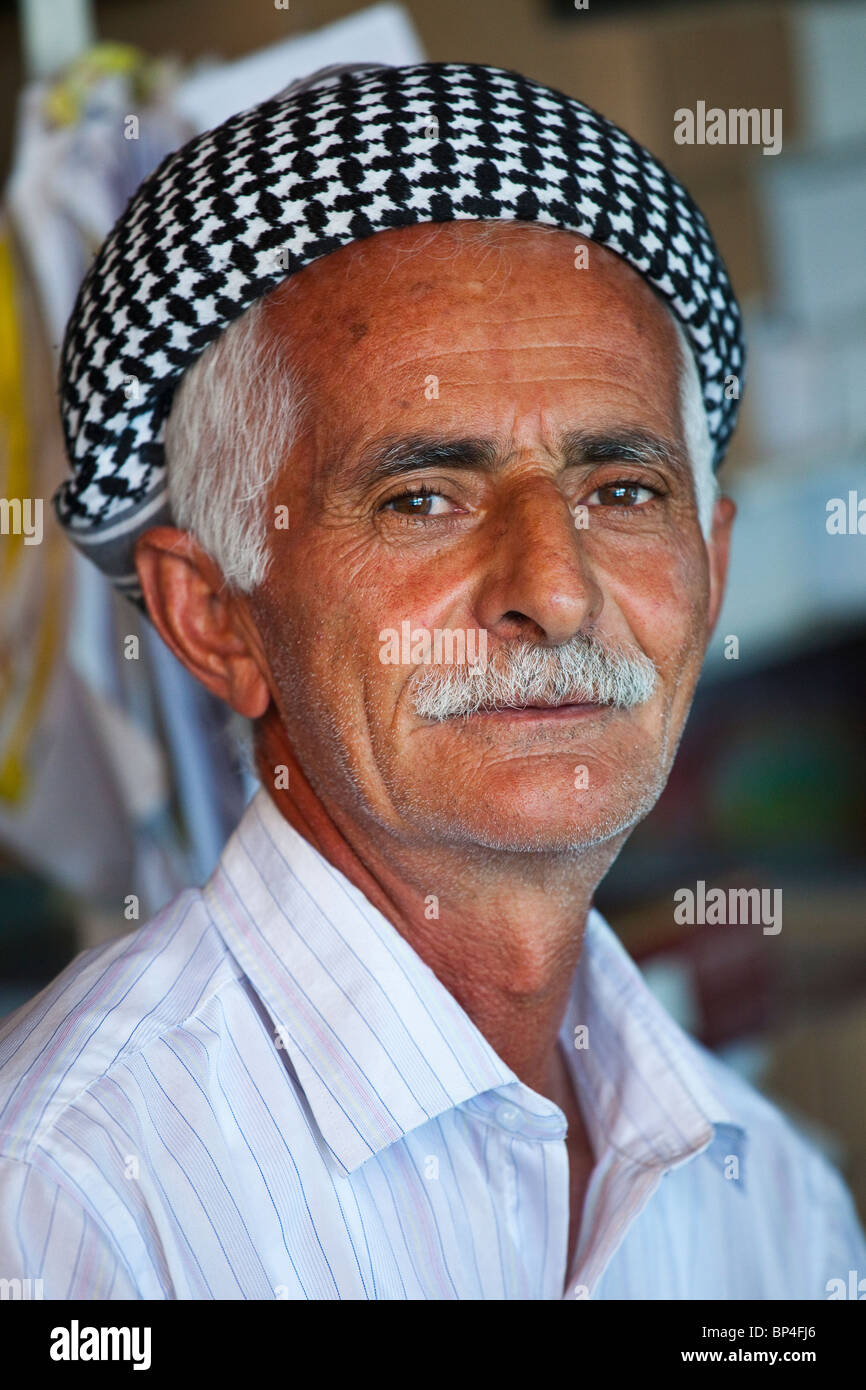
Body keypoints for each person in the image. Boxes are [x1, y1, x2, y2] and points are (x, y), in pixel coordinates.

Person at [1, 62, 863, 1300]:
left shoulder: (770, 1202)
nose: (554, 591)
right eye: (422, 498)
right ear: (214, 617)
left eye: (620, 491)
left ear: (709, 567)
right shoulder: (73, 1210)